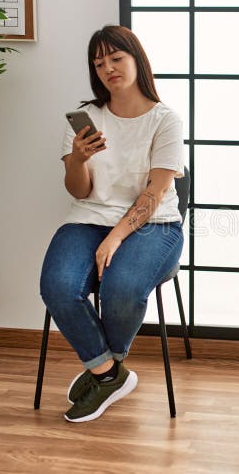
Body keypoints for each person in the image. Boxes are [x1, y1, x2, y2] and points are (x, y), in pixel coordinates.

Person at [40, 25, 185, 423]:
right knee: (57, 285)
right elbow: (79, 191)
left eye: (116, 58)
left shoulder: (165, 121)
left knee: (122, 288)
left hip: (155, 224)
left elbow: (156, 193)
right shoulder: (87, 118)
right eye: (99, 63)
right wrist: (77, 159)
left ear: (137, 59)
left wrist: (115, 238)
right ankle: (108, 374)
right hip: (89, 218)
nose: (108, 69)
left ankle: (101, 371)